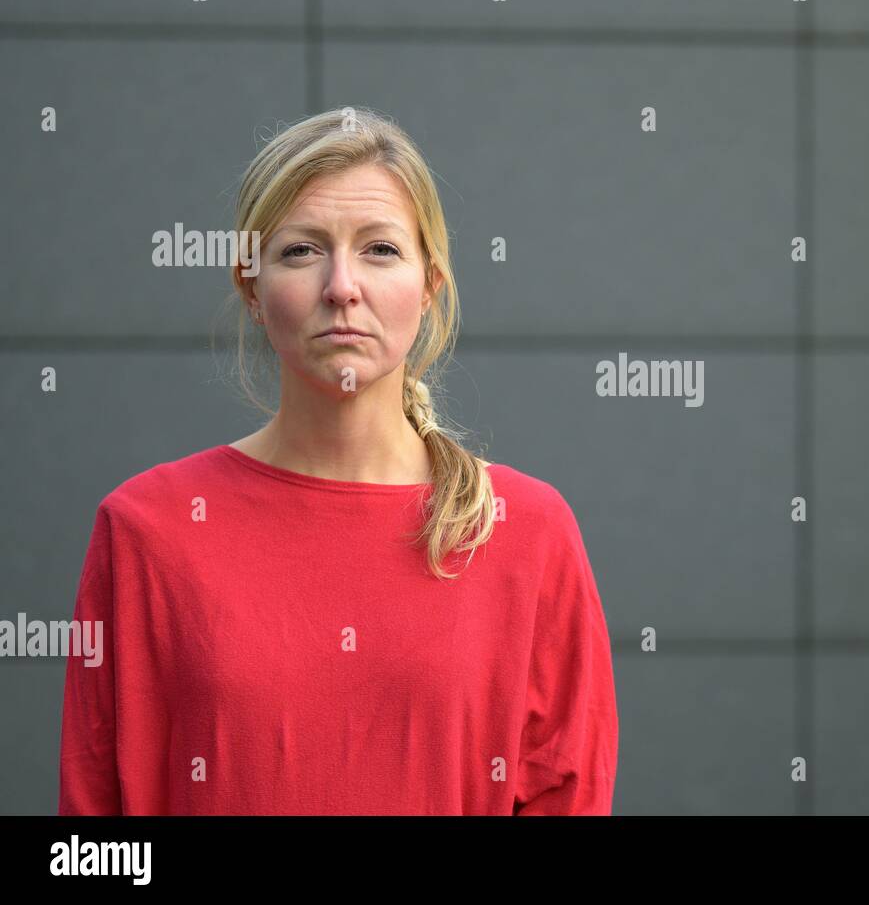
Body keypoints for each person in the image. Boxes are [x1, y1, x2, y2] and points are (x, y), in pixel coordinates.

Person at [57, 108, 619, 815]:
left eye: (380, 249)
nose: (342, 286)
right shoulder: (147, 527)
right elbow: (92, 829)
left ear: (430, 286)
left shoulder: (528, 530)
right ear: (252, 290)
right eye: (301, 251)